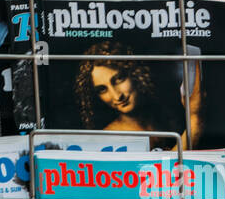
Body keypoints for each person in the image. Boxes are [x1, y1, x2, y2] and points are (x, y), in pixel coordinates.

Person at [74, 40, 202, 149]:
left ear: (134, 73)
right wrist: (195, 118)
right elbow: (161, 171)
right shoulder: (112, 137)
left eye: (119, 79)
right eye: (102, 89)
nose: (117, 96)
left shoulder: (163, 115)